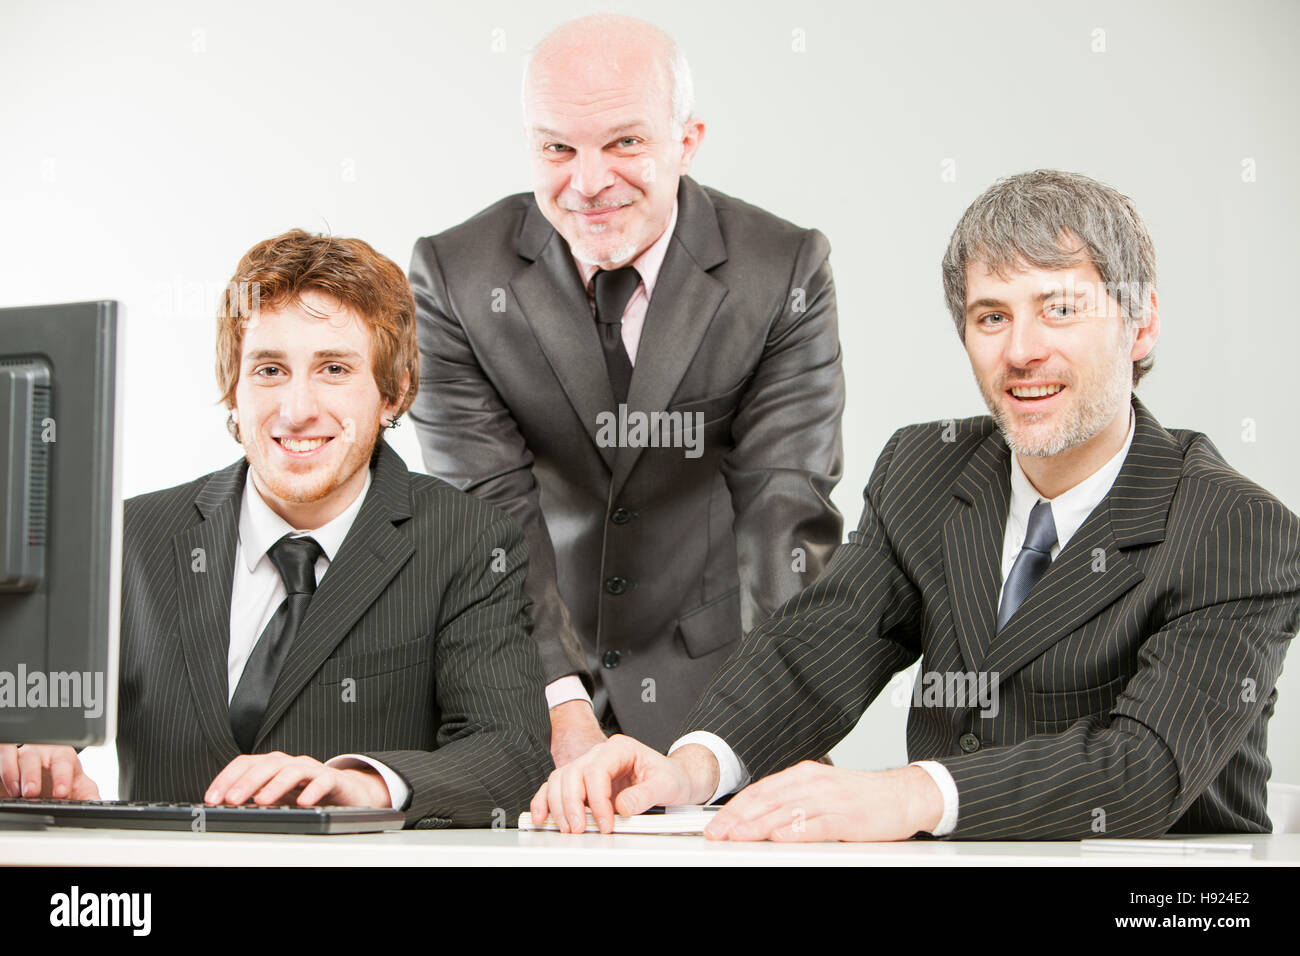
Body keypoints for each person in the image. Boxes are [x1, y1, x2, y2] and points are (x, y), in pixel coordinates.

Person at [531, 169, 1300, 840]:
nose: (1022, 350)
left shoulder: (1237, 529)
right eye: (991, 316)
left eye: (1060, 308)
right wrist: (687, 769)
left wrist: (909, 794)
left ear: (1142, 323)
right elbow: (813, 659)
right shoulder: (925, 469)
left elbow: (1145, 768)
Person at [0, 229, 551, 827]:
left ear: (393, 393)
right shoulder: (131, 536)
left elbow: (510, 757)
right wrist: (30, 755)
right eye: (268, 370)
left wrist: (361, 783)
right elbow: (36, 704)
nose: (296, 410)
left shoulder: (468, 540)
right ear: (232, 390)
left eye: (334, 368)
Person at [408, 14, 846, 764]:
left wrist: (775, 730)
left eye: (625, 142)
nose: (588, 183)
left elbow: (784, 513)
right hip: (523, 683)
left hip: (719, 691)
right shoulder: (455, 279)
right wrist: (561, 705)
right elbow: (489, 519)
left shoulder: (782, 271)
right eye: (557, 148)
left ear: (687, 140)